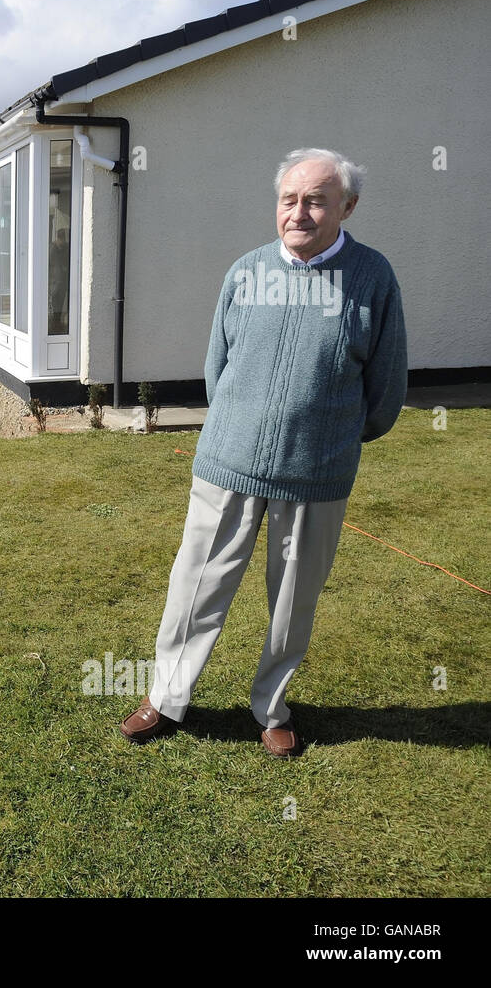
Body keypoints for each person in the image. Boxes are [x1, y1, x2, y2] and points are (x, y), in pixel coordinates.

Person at [119, 148, 408, 758]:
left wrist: (334, 438)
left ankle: (271, 706)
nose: (298, 212)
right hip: (228, 462)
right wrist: (238, 426)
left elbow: (386, 384)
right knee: (195, 584)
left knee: (293, 598)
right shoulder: (245, 271)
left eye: (315, 200)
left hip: (318, 473)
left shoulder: (372, 277)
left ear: (346, 207)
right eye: (288, 199)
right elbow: (216, 366)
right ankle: (167, 696)